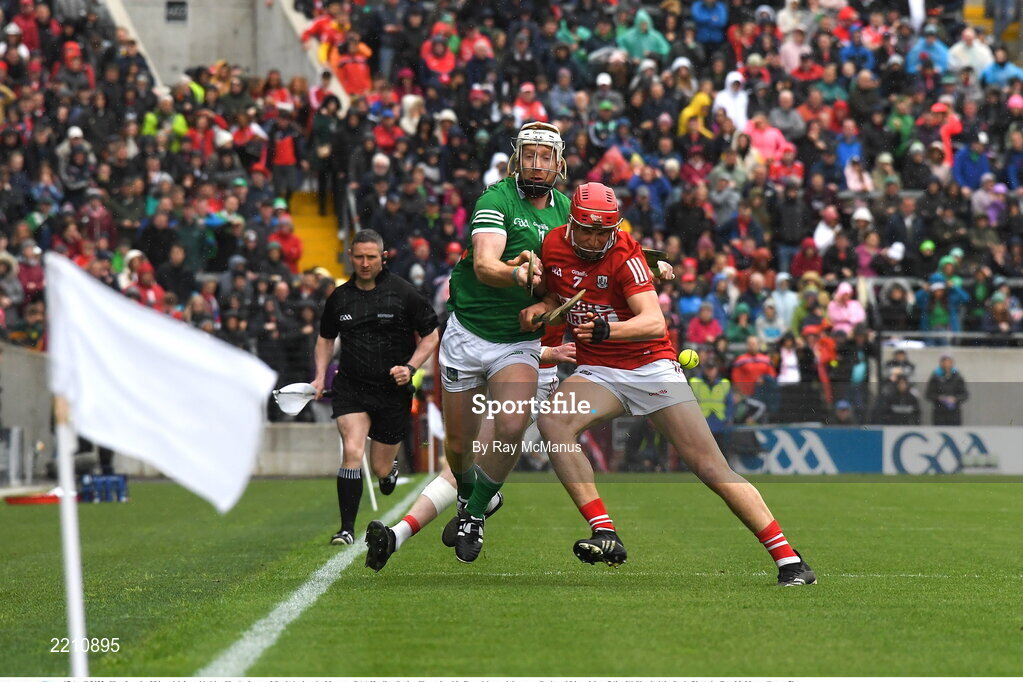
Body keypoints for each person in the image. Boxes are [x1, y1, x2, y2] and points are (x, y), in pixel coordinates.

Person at [525, 182, 816, 586]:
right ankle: (605, 531)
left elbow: (653, 321)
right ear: (571, 223)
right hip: (600, 373)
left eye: (603, 233)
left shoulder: (625, 253)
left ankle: (790, 560)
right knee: (553, 423)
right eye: (587, 231)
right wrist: (539, 311)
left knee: (710, 467)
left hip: (652, 368)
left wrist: (609, 328)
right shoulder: (553, 245)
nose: (595, 241)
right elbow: (556, 300)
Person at [438, 121, 571, 564]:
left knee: (512, 426)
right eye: (529, 155)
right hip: (469, 333)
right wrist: (518, 273)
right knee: (459, 445)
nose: (536, 164)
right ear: (518, 158)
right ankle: (468, 496)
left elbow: (606, 250)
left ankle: (473, 515)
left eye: (545, 157)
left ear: (558, 163)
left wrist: (654, 265)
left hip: (519, 340)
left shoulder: (568, 212)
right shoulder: (496, 199)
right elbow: (483, 264)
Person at [363, 323, 576, 571]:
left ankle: (410, 531)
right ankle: (406, 532)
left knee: (472, 459)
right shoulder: (489, 289)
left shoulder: (556, 287)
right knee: (459, 460)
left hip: (529, 377)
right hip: (483, 362)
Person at [310, 230, 440, 545]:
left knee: (380, 467)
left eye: (371, 257)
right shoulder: (339, 297)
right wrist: (318, 376)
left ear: (383, 257)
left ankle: (389, 470)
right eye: (359, 257)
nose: (365, 263)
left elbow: (432, 335)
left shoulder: (404, 293)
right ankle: (346, 529)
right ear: (350, 257)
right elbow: (326, 338)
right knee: (353, 451)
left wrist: (410, 368)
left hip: (391, 392)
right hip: (351, 387)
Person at [925, 354, 968, 426]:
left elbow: (964, 395)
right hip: (939, 413)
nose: (947, 365)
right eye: (945, 363)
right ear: (941, 364)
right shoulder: (935, 377)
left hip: (954, 413)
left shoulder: (957, 377)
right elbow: (928, 394)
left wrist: (955, 399)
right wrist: (939, 398)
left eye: (949, 363)